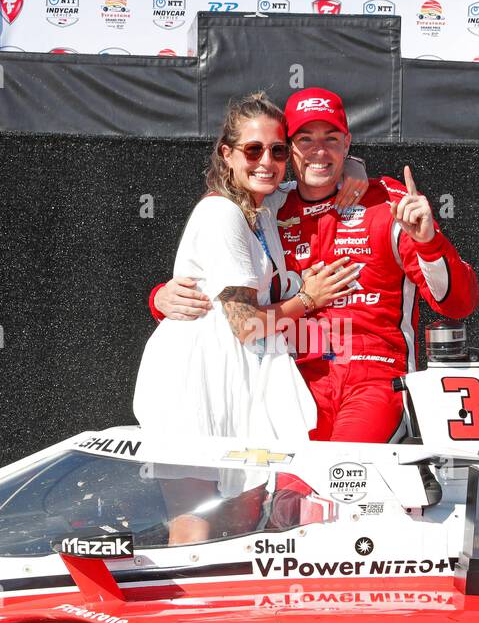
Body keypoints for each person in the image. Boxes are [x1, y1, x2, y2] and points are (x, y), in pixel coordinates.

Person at [152, 87, 479, 443]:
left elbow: (458, 303)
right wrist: (162, 298)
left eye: (331, 139)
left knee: (342, 478)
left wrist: (428, 242)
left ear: (348, 142)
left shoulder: (388, 203)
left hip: (374, 378)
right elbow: (227, 276)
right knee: (289, 492)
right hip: (293, 379)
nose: (318, 151)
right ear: (289, 148)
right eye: (304, 139)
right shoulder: (271, 206)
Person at [133, 92, 358, 543]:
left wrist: (355, 171)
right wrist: (307, 299)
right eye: (253, 150)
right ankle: (180, 614)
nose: (267, 161)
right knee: (195, 521)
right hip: (196, 378)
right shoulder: (222, 214)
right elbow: (246, 325)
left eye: (277, 150)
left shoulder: (263, 212)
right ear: (227, 154)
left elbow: (330, 169)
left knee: (237, 523)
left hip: (237, 376)